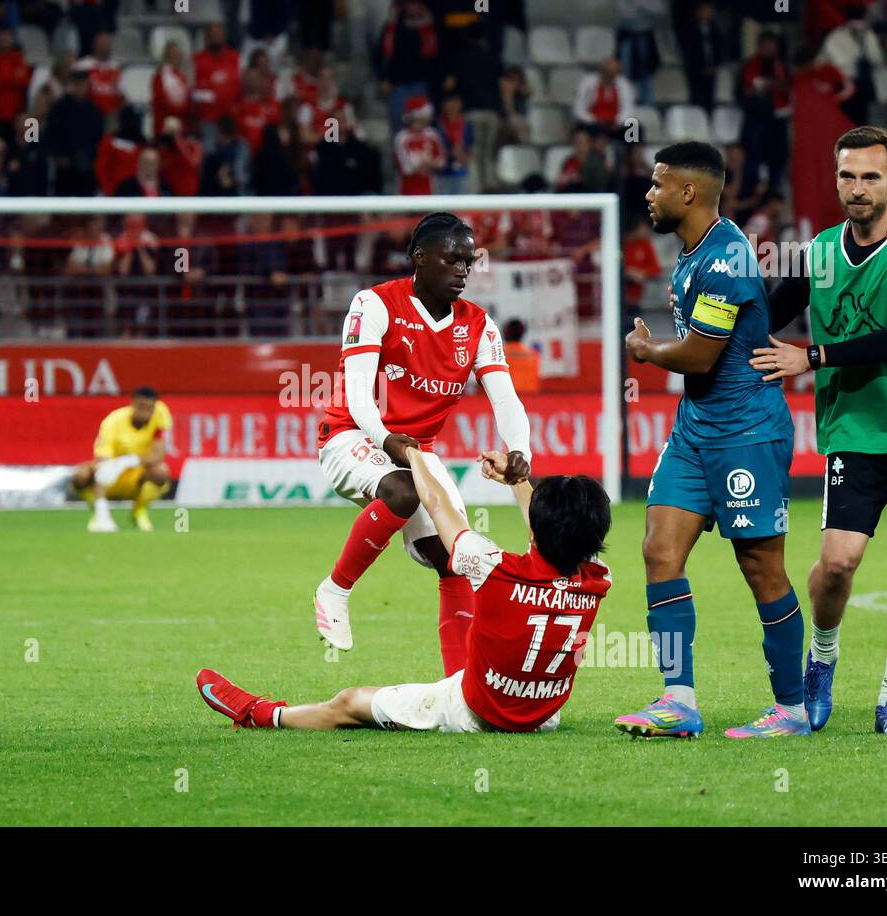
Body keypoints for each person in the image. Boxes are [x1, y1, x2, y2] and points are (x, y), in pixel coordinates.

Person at [750, 126, 887, 735]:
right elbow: (766, 312)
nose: (857, 188)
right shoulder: (817, 253)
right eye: (848, 175)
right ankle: (822, 661)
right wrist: (702, 318)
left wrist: (811, 358)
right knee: (839, 563)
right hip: (854, 429)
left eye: (871, 176)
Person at [197, 449, 612, 734]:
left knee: (350, 703)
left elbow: (435, 504)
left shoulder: (492, 566)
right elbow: (544, 538)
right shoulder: (597, 578)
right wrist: (518, 481)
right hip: (543, 714)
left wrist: (414, 454)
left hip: (476, 711)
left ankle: (261, 715)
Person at [616, 140, 806, 739]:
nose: (649, 194)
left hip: (746, 433)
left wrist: (646, 351)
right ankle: (678, 701)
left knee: (760, 566)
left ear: (687, 191)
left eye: (657, 184)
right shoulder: (691, 253)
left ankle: (792, 709)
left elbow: (700, 356)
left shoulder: (725, 259)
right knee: (658, 551)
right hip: (695, 432)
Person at [311, 213, 532, 678]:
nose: (461, 271)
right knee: (403, 490)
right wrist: (388, 440)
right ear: (420, 258)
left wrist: (518, 450)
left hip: (416, 451)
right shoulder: (373, 304)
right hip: (351, 434)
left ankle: (461, 686)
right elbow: (355, 393)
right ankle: (335, 589)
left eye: (468, 263)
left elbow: (505, 396)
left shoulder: (478, 325)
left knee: (456, 561)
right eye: (451, 260)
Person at [71, 387, 172, 533]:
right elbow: (102, 464)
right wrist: (116, 465)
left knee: (161, 471)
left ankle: (139, 511)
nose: (146, 413)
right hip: (111, 475)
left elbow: (159, 453)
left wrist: (129, 461)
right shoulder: (113, 422)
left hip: (137, 475)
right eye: (141, 407)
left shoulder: (160, 413)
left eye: (150, 408)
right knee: (80, 474)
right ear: (133, 404)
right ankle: (100, 513)